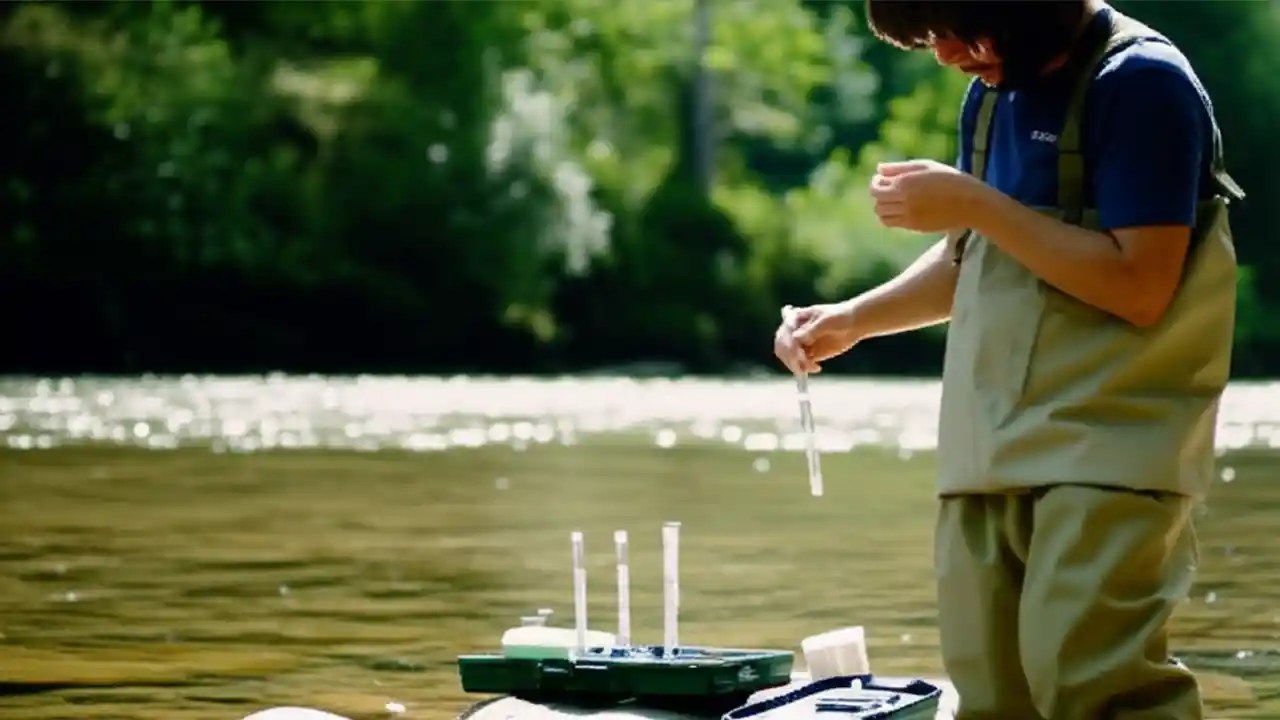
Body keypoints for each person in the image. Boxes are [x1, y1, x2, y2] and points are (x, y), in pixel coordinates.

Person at [773, 1, 1245, 718]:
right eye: (931, 39)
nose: (946, 55)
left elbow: (1140, 284)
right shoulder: (991, 95)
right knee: (992, 692)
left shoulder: (1142, 82)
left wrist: (971, 200)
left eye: (959, 34)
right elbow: (981, 259)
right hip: (987, 447)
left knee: (1091, 677)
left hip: (1112, 445)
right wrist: (850, 321)